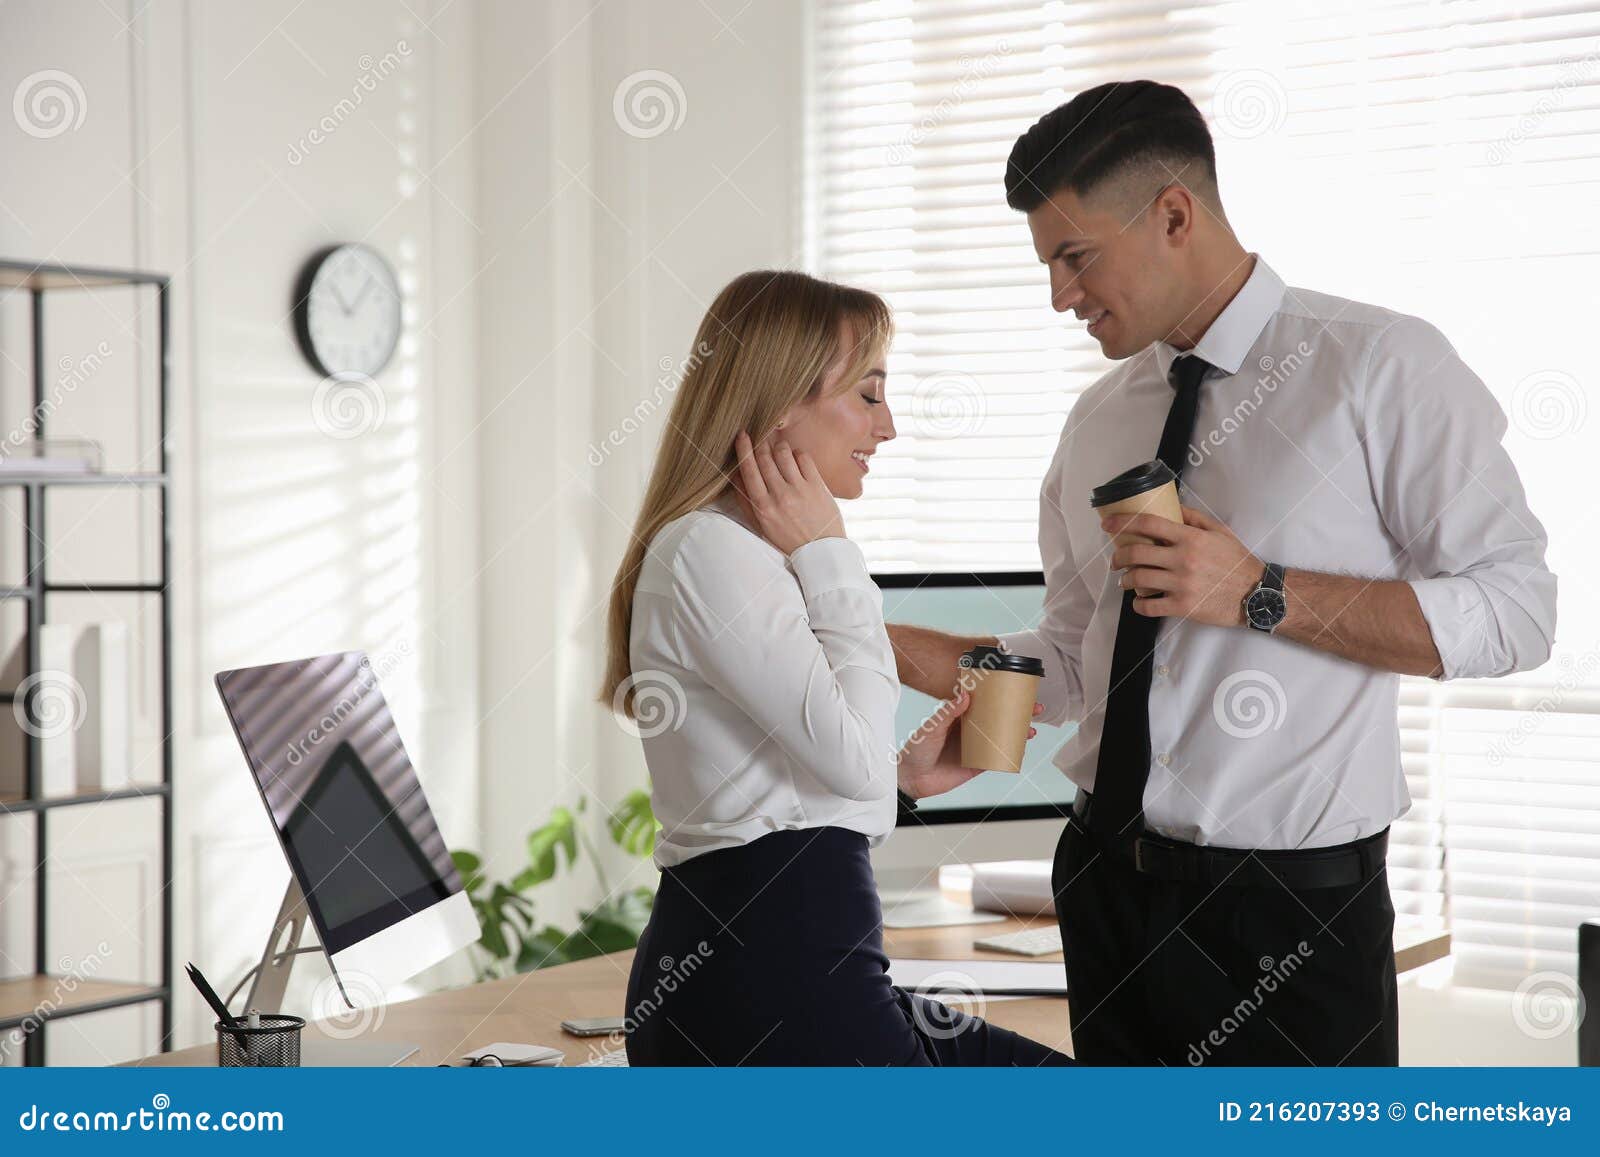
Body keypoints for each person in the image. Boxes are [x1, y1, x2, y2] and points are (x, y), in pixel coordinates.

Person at [887, 80, 1557, 1066]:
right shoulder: (1100, 418)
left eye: (1075, 258)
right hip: (1104, 887)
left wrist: (1257, 588)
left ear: (1172, 215)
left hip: (1287, 913)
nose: (1059, 295)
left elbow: (1515, 613)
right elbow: (1076, 661)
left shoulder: (1379, 367)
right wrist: (861, 633)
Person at [600, 269, 1074, 1067]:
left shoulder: (745, 552)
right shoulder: (712, 551)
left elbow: (809, 790)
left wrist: (900, 780)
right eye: (868, 394)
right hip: (773, 984)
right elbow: (843, 772)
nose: (887, 427)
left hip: (802, 968)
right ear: (781, 401)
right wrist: (834, 556)